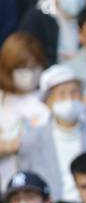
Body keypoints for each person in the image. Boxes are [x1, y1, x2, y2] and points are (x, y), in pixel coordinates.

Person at [18, 64, 86, 203]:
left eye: (74, 92)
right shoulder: (31, 140)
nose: (69, 99)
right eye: (62, 94)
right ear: (47, 101)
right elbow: (26, 184)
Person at [0, 31, 50, 188]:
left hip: (42, 182)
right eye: (21, 68)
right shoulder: (2, 100)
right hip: (6, 183)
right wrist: (9, 146)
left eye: (34, 67)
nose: (29, 75)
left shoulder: (51, 97)